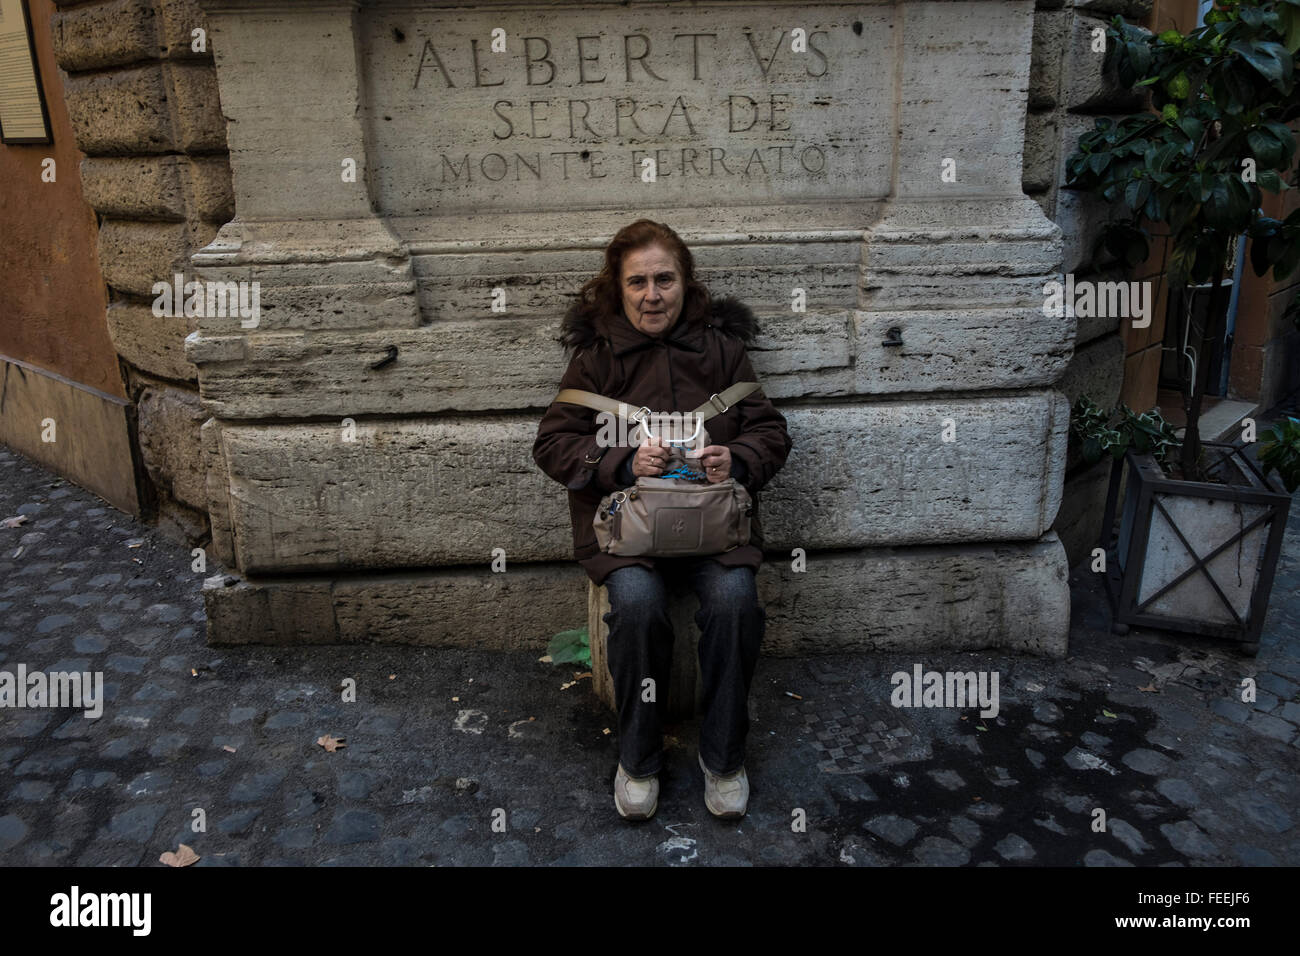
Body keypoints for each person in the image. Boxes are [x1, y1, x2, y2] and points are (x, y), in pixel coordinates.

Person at [532, 219, 793, 820]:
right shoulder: (596, 359)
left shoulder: (722, 351)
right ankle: (639, 759)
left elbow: (770, 431)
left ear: (686, 281)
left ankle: (724, 759)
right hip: (627, 535)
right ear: (618, 289)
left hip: (714, 532)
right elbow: (552, 444)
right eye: (639, 282)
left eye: (665, 279)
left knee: (734, 603)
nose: (653, 295)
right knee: (639, 604)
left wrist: (740, 458)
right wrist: (621, 462)